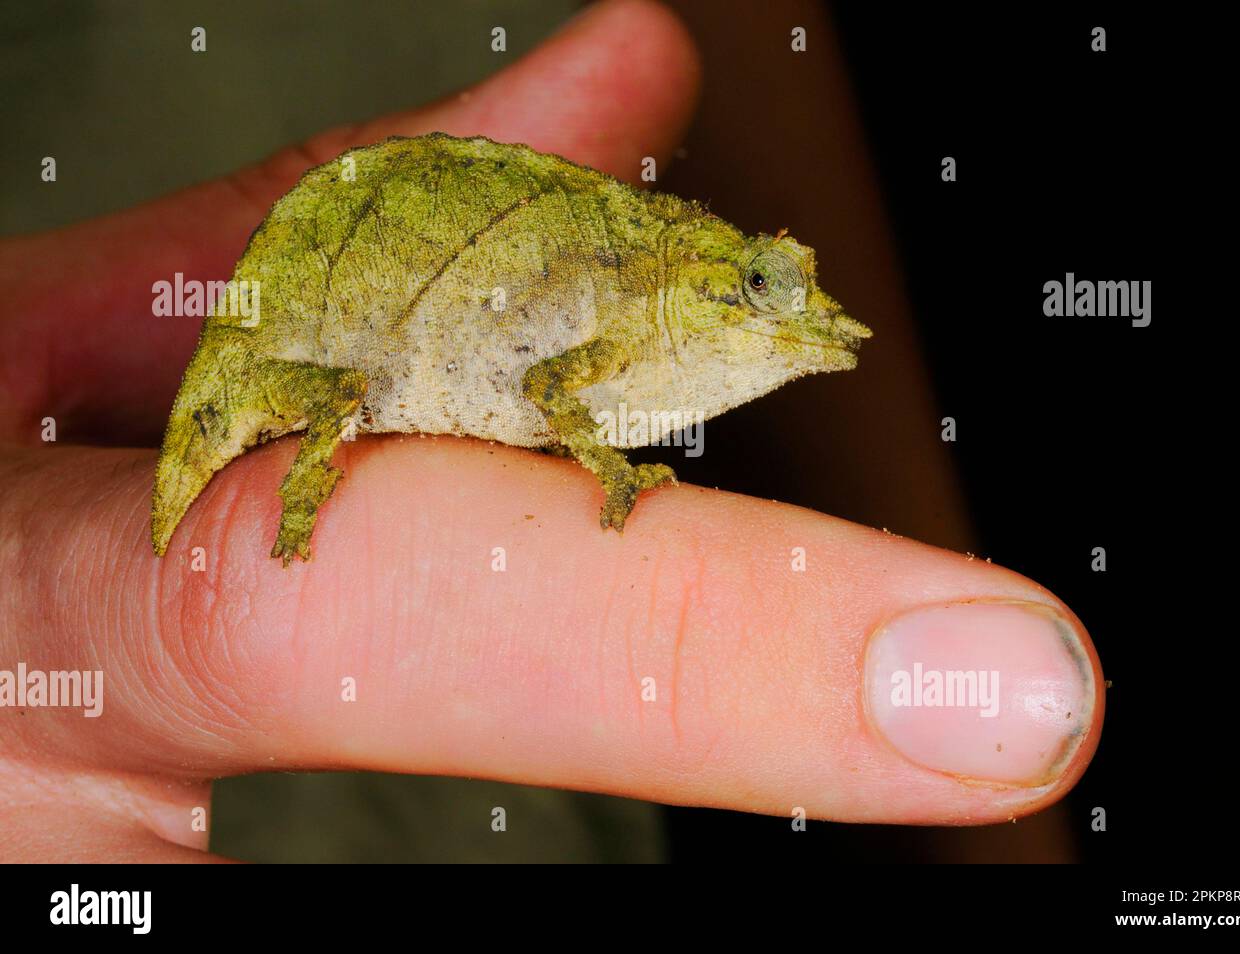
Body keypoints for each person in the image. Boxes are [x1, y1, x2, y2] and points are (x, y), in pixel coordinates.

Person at [0, 0, 1102, 861]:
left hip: (526, 808)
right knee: (302, 444)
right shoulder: (634, 292)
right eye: (764, 286)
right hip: (265, 435)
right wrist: (609, 475)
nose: (794, 315)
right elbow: (560, 390)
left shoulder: (646, 262)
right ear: (715, 282)